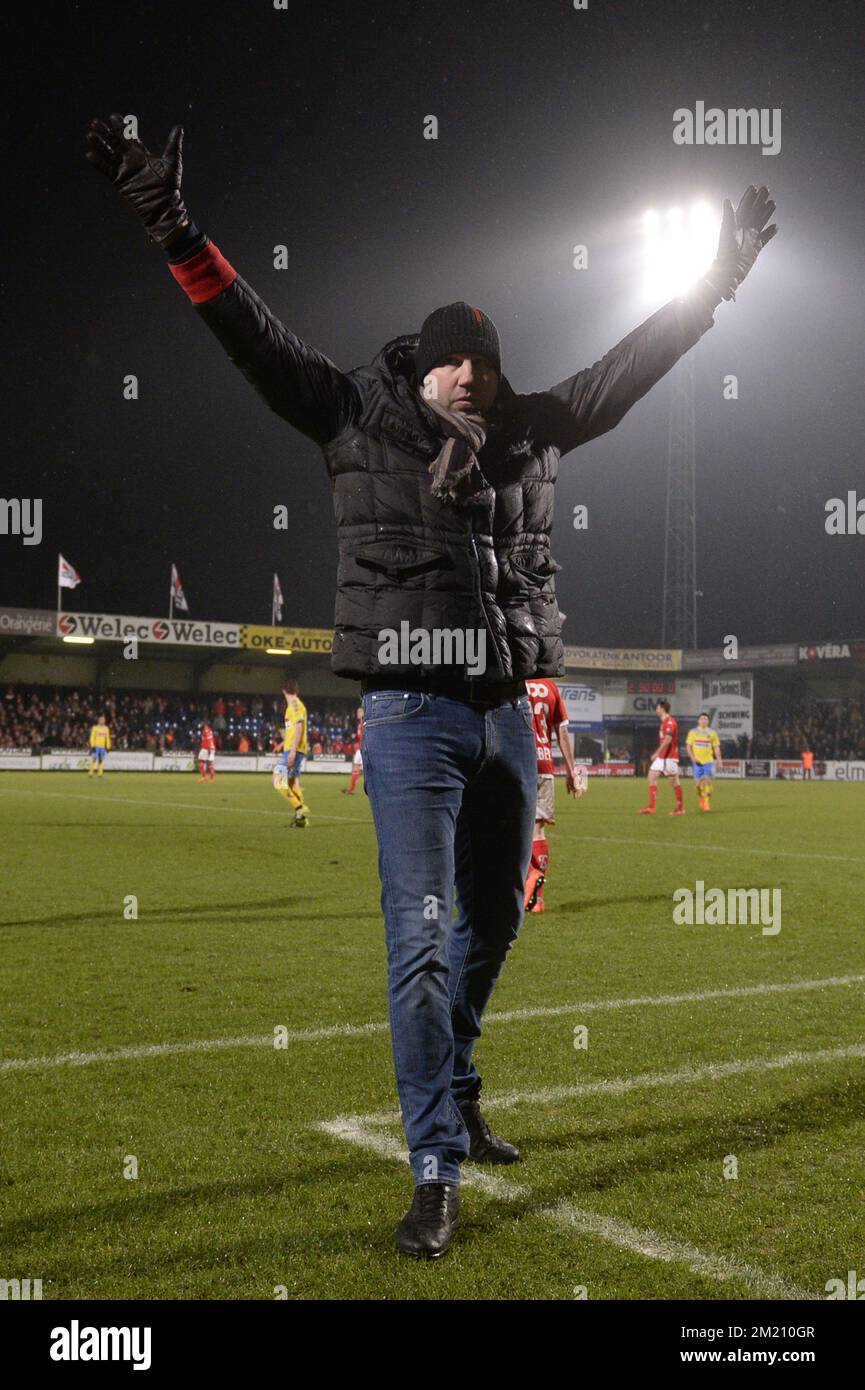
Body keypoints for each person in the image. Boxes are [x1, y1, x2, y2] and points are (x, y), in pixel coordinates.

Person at [86, 113, 777, 1259]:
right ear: (422, 358)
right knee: (415, 938)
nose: (472, 374)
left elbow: (633, 362)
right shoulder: (358, 417)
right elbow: (251, 338)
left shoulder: (530, 436)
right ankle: (431, 1168)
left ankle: (454, 1083)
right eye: (454, 357)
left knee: (495, 918)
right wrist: (172, 224)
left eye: (487, 362)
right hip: (406, 712)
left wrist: (719, 279)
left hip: (505, 710)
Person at [523, 678, 586, 913]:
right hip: (546, 767)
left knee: (512, 830)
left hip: (519, 763)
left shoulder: (515, 682)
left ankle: (526, 878)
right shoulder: (550, 687)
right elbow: (562, 731)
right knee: (537, 830)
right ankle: (537, 899)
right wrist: (571, 771)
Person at [273, 681, 310, 827]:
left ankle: (299, 808)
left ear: (284, 691)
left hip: (294, 750)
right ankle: (300, 819)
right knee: (292, 782)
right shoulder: (294, 705)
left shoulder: (294, 704)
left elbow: (299, 727)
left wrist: (293, 751)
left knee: (277, 779)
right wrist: (281, 745)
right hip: (292, 748)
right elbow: (293, 730)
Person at [640, 698, 684, 816]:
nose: (656, 710)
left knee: (674, 782)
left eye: (657, 708)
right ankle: (651, 807)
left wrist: (656, 753)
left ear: (662, 709)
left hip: (669, 757)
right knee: (652, 776)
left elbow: (668, 740)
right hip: (663, 757)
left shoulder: (670, 722)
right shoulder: (664, 722)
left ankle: (680, 809)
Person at [685, 713, 722, 811]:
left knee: (708, 781)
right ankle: (701, 797)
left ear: (708, 721)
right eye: (701, 719)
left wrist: (719, 760)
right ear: (698, 721)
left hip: (709, 761)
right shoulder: (693, 732)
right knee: (697, 784)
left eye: (705, 719)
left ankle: (706, 802)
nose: (703, 720)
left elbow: (716, 747)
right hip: (697, 761)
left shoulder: (712, 733)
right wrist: (693, 758)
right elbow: (688, 746)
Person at [342, 706, 364, 794]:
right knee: (356, 768)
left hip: (362, 749)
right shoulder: (360, 724)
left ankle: (351, 789)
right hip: (361, 749)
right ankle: (351, 789)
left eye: (359, 712)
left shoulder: (364, 724)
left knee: (357, 768)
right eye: (357, 712)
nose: (357, 713)